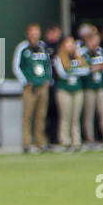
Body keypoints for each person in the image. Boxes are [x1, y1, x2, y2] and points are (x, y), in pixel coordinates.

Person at [12, 23, 52, 153]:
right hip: (29, 87)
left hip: (42, 86)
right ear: (27, 34)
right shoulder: (22, 48)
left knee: (41, 115)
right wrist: (25, 81)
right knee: (27, 115)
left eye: (37, 32)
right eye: (32, 32)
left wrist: (47, 79)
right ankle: (26, 143)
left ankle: (40, 141)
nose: (34, 34)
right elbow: (16, 66)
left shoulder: (43, 47)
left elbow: (48, 65)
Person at [79, 25, 103, 148]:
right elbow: (81, 69)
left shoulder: (101, 51)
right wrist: (93, 68)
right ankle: (89, 137)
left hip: (100, 86)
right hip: (89, 87)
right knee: (89, 114)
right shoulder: (82, 53)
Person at [53, 36, 87, 151]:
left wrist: (73, 70)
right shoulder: (60, 57)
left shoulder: (78, 56)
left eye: (71, 44)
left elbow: (86, 70)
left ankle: (76, 141)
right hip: (64, 90)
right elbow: (63, 73)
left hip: (77, 89)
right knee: (65, 116)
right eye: (67, 44)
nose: (70, 46)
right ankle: (65, 140)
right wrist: (76, 70)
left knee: (75, 117)